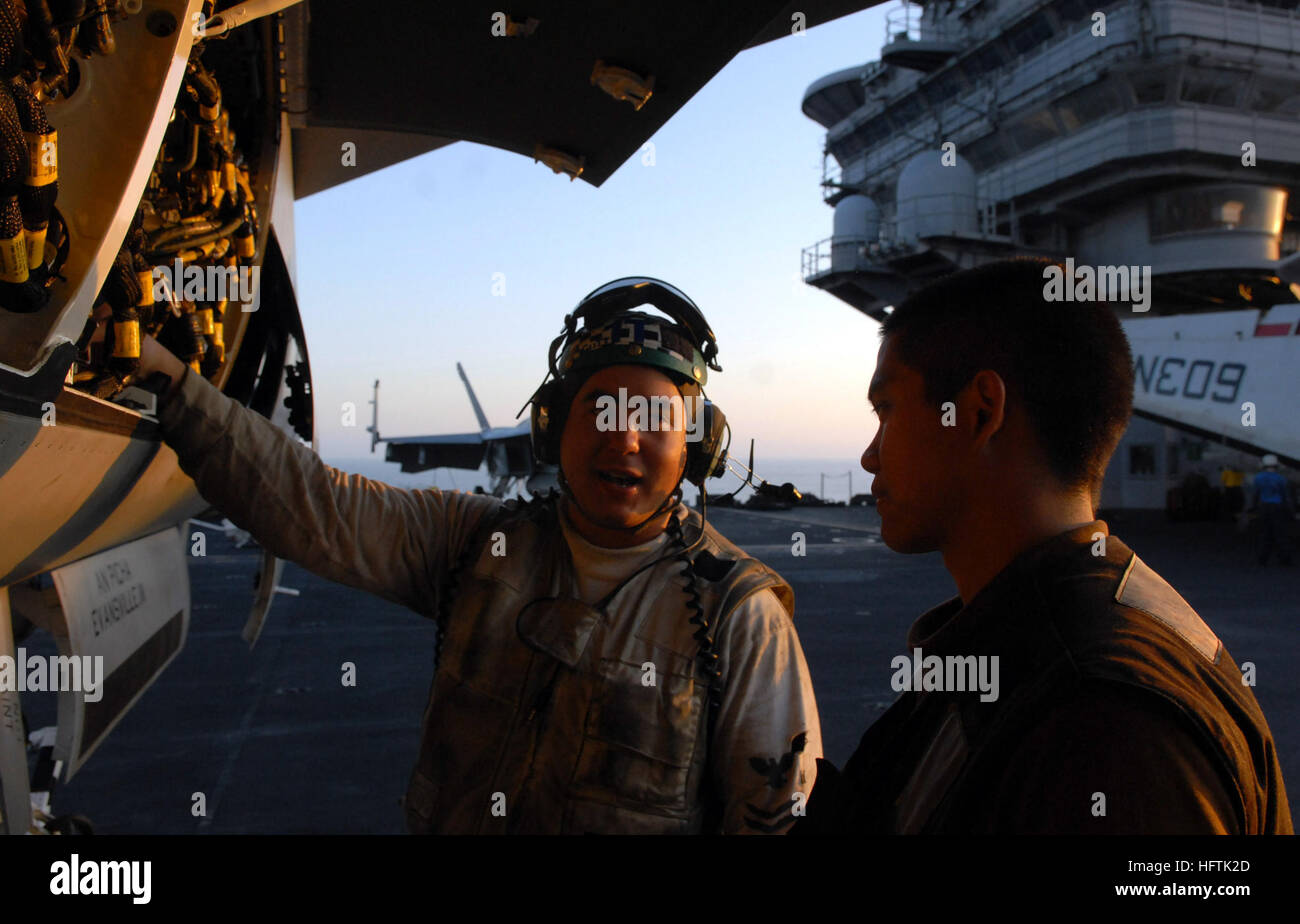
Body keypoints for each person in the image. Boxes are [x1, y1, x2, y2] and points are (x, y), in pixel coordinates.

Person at [137, 276, 821, 834]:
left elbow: (775, 819)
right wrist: (167, 381)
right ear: (553, 427)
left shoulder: (740, 616)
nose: (625, 442)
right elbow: (316, 504)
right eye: (602, 412)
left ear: (697, 448)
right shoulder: (476, 543)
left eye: (654, 422)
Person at [793, 259, 1291, 834]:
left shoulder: (1105, 729)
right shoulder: (1073, 639)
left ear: (980, 412)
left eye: (887, 411)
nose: (869, 455)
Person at [1251, 454, 1294, 566]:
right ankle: (1284, 559)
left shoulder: (1258, 477)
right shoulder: (1281, 479)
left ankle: (1262, 558)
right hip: (1278, 507)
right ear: (1276, 465)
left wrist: (1253, 507)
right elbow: (1286, 496)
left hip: (1264, 507)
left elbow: (1255, 494)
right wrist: (1291, 511)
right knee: (1280, 534)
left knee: (1264, 533)